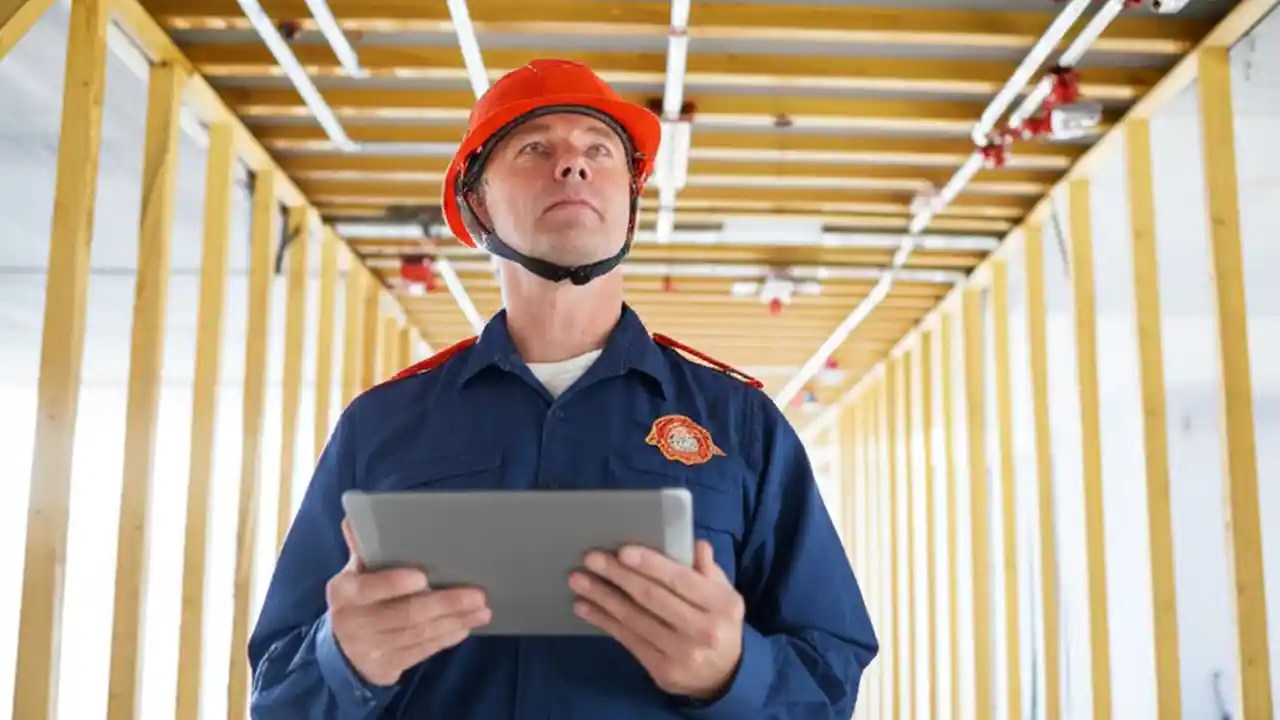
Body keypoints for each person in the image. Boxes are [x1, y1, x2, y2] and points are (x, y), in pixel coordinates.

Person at [248, 58, 878, 719]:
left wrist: (733, 673)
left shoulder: (741, 425)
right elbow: (277, 696)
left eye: (599, 150)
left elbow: (831, 677)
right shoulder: (380, 427)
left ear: (632, 208)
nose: (573, 164)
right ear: (476, 203)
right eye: (534, 147)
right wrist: (343, 659)